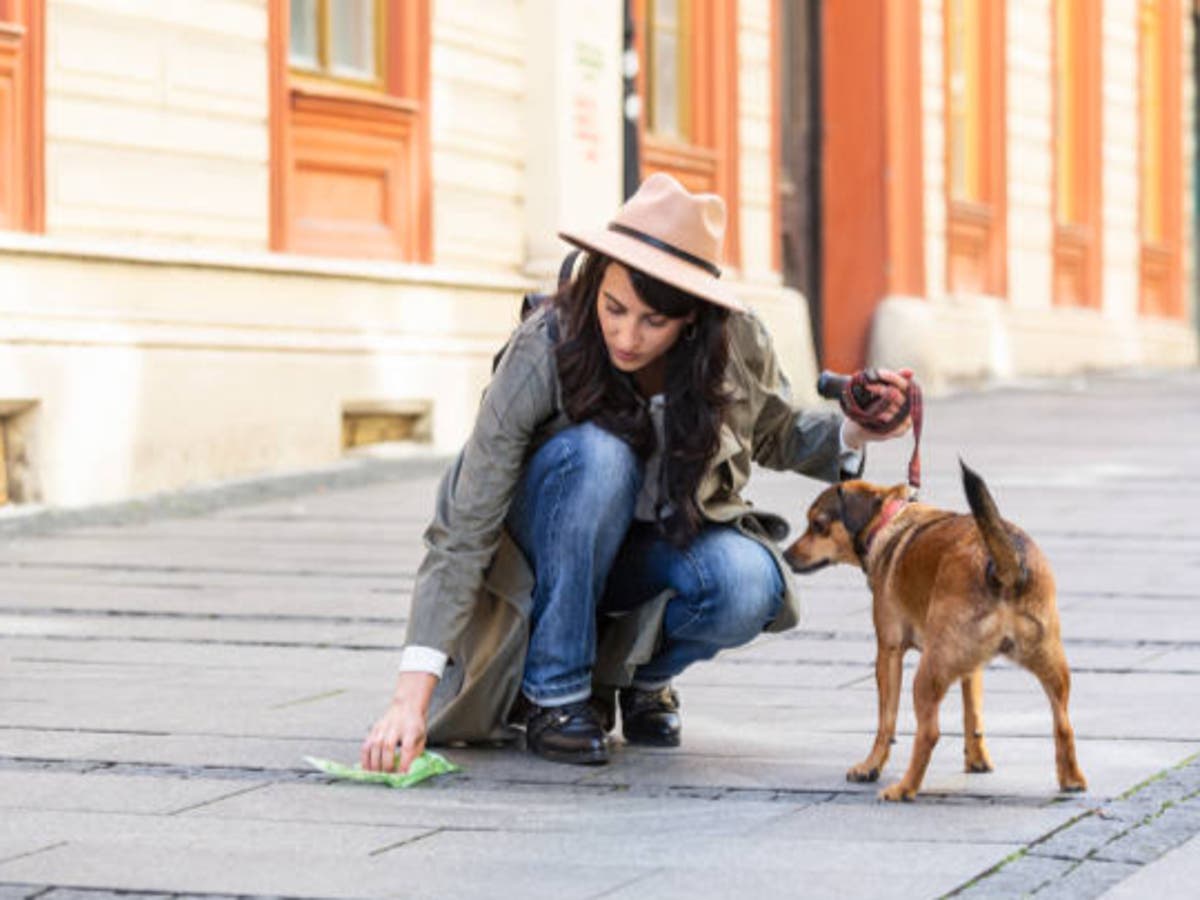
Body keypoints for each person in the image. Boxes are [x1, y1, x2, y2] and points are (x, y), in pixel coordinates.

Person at [361, 172, 912, 771]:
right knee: (599, 455)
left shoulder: (735, 342)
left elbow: (776, 432)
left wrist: (862, 428)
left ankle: (632, 679)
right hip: (544, 551)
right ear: (597, 281)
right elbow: (463, 525)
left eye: (653, 322)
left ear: (692, 321)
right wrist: (407, 703)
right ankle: (557, 694)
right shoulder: (546, 344)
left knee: (749, 582)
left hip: (649, 551)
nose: (626, 335)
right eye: (614, 308)